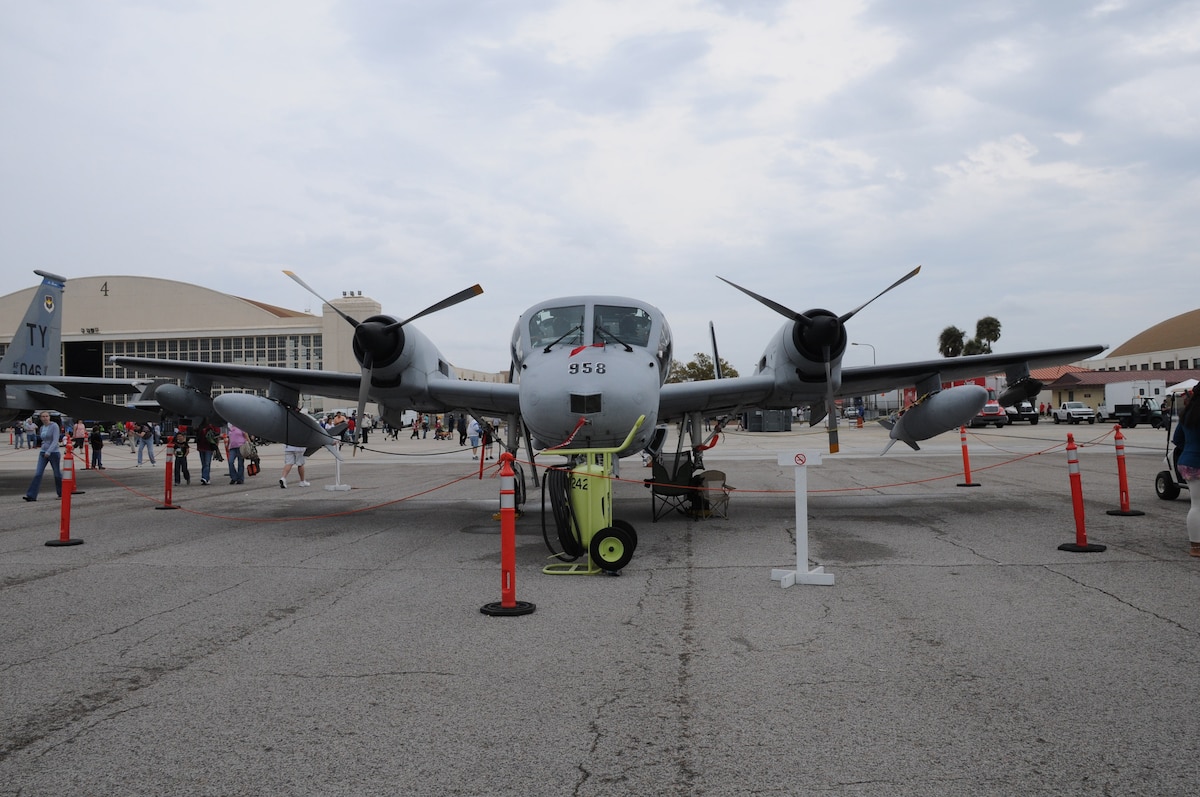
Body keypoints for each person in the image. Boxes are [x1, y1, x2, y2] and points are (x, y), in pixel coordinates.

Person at [1171, 390, 1200, 557]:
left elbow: (1177, 439)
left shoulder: (1187, 413)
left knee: (1196, 505)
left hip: (1187, 461)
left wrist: (1190, 450)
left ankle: (1195, 546)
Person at [23, 411, 62, 501]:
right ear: (40, 418)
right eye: (43, 416)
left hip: (53, 453)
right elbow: (43, 440)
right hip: (43, 452)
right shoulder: (42, 427)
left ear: (49, 417)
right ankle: (31, 495)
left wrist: (49, 451)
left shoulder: (54, 426)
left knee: (57, 474)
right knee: (38, 473)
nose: (45, 418)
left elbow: (55, 440)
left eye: (46, 416)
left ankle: (62, 492)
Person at [195, 420, 222, 485]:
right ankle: (206, 477)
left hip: (208, 447)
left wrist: (216, 446)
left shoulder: (213, 426)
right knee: (204, 463)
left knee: (206, 463)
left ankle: (204, 477)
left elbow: (217, 435)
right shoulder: (200, 425)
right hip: (201, 446)